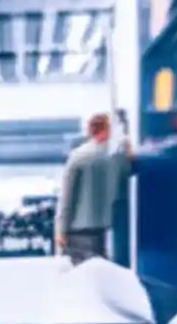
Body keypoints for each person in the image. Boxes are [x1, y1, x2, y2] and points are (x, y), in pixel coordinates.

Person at [55, 113, 133, 265]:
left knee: (80, 277)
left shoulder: (79, 157)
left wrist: (60, 230)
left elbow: (67, 198)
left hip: (77, 230)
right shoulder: (116, 159)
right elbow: (130, 168)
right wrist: (126, 143)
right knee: (99, 275)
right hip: (102, 229)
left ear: (90, 130)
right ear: (108, 130)